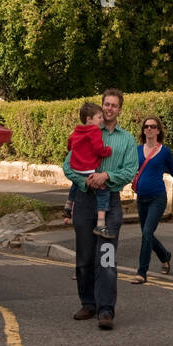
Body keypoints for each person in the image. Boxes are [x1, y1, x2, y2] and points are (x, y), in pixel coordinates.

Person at [62, 88, 138, 330]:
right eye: (106, 104)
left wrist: (106, 175)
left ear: (120, 109)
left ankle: (106, 310)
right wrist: (85, 180)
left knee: (106, 258)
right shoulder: (86, 130)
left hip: (110, 201)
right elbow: (67, 165)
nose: (109, 108)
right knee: (84, 258)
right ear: (102, 106)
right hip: (85, 200)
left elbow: (129, 170)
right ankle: (88, 303)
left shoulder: (125, 139)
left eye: (114, 105)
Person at [131, 112, 173, 283]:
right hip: (141, 198)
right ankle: (165, 255)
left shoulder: (164, 151)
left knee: (146, 233)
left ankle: (141, 273)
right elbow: (131, 169)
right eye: (146, 127)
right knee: (147, 234)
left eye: (153, 127)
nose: (149, 129)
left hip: (157, 198)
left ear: (158, 131)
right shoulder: (137, 150)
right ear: (143, 131)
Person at [63, 102, 113, 236]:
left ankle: (68, 205)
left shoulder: (76, 130)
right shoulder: (95, 130)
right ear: (89, 119)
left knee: (75, 183)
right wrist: (107, 151)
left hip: (76, 167)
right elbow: (98, 149)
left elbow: (69, 144)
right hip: (89, 169)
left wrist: (74, 150)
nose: (102, 120)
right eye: (99, 117)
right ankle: (101, 224)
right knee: (103, 190)